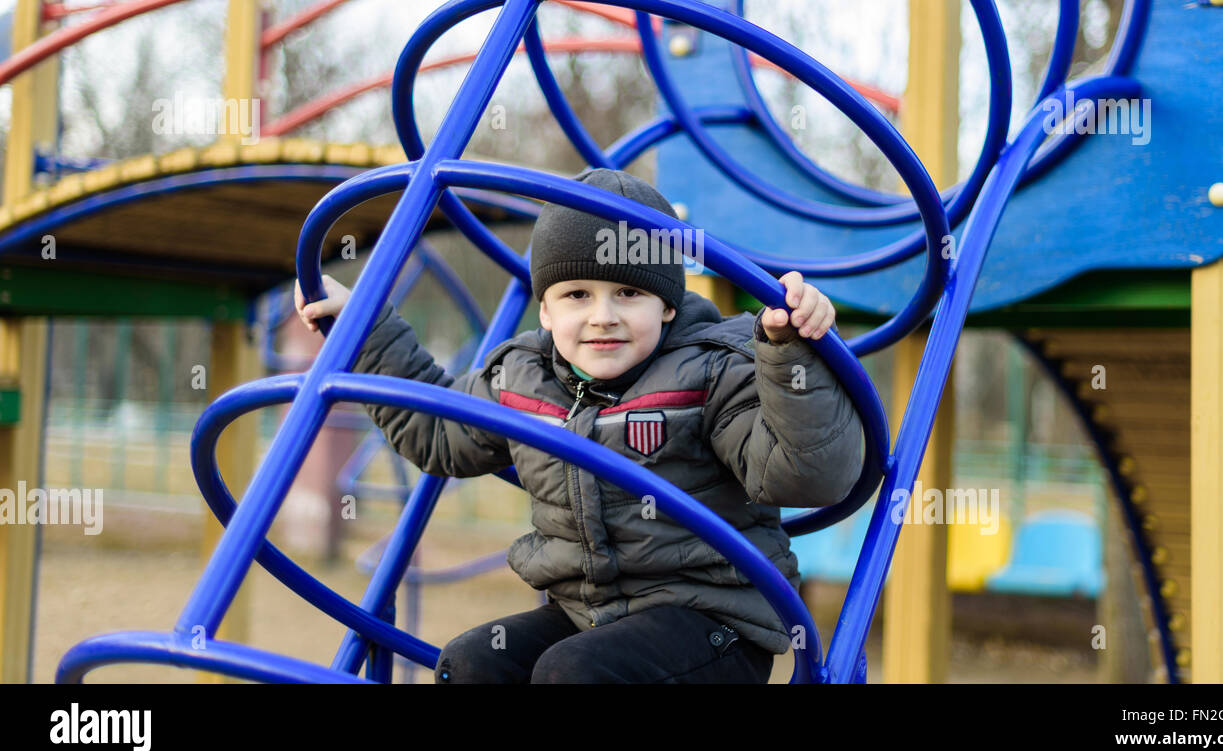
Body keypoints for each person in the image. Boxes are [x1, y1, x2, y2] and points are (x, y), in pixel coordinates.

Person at [295, 168, 872, 683]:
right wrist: (366, 328)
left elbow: (807, 476)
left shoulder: (713, 370)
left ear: (668, 305)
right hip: (586, 617)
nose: (603, 316)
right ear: (545, 310)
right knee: (472, 661)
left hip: (713, 626)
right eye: (577, 294)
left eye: (628, 292)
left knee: (575, 670)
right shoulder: (522, 379)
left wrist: (790, 355)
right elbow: (435, 431)